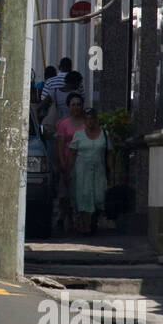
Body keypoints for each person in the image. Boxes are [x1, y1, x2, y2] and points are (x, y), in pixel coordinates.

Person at [67, 108, 110, 235]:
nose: (90, 121)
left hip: (99, 171)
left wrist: (111, 171)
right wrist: (67, 171)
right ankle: (85, 225)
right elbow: (72, 154)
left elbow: (109, 154)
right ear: (84, 121)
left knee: (98, 198)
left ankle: (94, 222)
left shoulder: (104, 135)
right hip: (82, 172)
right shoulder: (78, 135)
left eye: (92, 118)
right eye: (87, 118)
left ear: (96, 120)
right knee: (83, 197)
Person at [54, 92, 87, 233]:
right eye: (73, 105)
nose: (76, 107)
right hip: (68, 163)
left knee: (82, 194)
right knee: (65, 194)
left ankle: (80, 221)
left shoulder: (87, 122)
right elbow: (60, 145)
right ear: (68, 106)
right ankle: (65, 218)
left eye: (79, 105)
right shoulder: (63, 124)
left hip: (85, 164)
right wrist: (62, 164)